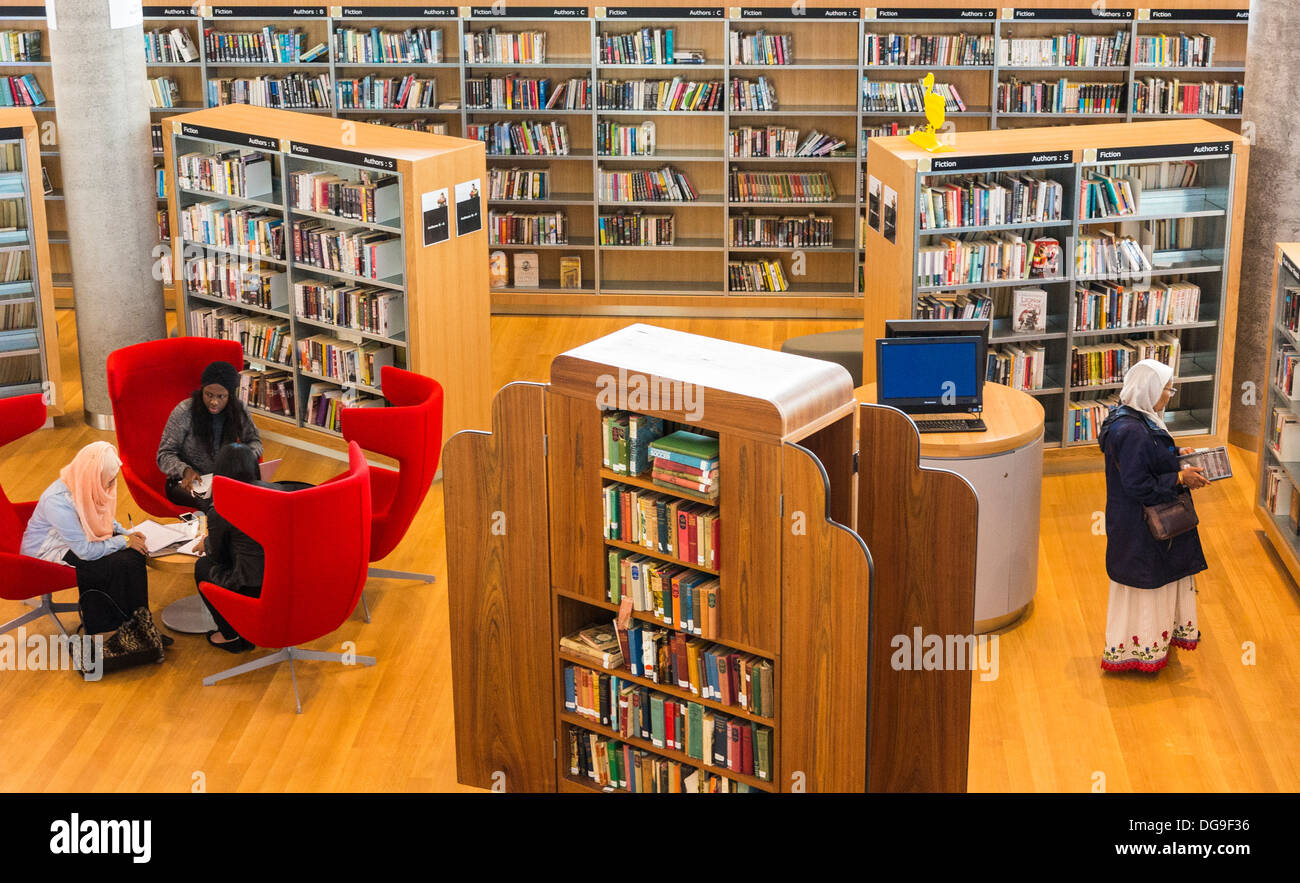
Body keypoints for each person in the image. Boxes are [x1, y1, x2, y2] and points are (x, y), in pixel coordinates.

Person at [1098, 359, 1210, 673]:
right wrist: (1178, 478)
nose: (1169, 395)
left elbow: (1147, 460)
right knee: (1149, 584)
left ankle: (1147, 645)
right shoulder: (1132, 430)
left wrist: (1176, 455)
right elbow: (1137, 484)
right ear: (1148, 389)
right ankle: (1144, 650)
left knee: (1149, 582)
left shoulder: (1133, 417)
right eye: (1166, 389)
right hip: (1143, 528)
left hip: (1133, 526)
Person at [20, 441, 169, 648]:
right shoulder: (57, 501)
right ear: (92, 476)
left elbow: (103, 515)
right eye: (106, 482)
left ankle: (139, 625)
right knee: (110, 564)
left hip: (77, 540)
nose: (109, 487)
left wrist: (127, 534)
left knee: (134, 556)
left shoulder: (86, 482)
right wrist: (124, 540)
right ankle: (106, 631)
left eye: (112, 481)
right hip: (48, 553)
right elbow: (86, 552)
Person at [157, 360, 263, 511]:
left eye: (221, 396)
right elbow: (164, 454)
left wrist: (244, 458)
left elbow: (254, 441)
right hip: (186, 482)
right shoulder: (184, 412)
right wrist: (185, 470)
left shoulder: (238, 410)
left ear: (230, 396)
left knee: (257, 497)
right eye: (208, 394)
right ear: (202, 390)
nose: (214, 402)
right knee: (219, 506)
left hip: (224, 481)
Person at [194, 443, 267, 653]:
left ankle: (230, 634)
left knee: (203, 567)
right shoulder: (271, 496)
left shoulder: (222, 508)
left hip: (248, 581)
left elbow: (217, 556)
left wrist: (206, 542)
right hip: (278, 578)